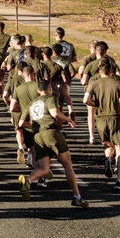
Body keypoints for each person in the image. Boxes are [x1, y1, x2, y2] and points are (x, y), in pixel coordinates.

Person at [17, 79, 88, 207]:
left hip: (38, 136)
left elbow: (21, 124)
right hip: (51, 132)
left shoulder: (32, 103)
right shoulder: (50, 98)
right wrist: (68, 119)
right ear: (49, 88)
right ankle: (77, 197)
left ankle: (28, 179)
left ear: (38, 90)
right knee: (67, 164)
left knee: (43, 169)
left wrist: (33, 127)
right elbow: (55, 113)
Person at [83, 58, 120, 194]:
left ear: (99, 70)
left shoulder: (94, 83)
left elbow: (85, 100)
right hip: (115, 118)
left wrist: (95, 104)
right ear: (111, 70)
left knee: (108, 144)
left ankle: (107, 160)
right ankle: (119, 181)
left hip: (100, 119)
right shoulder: (117, 84)